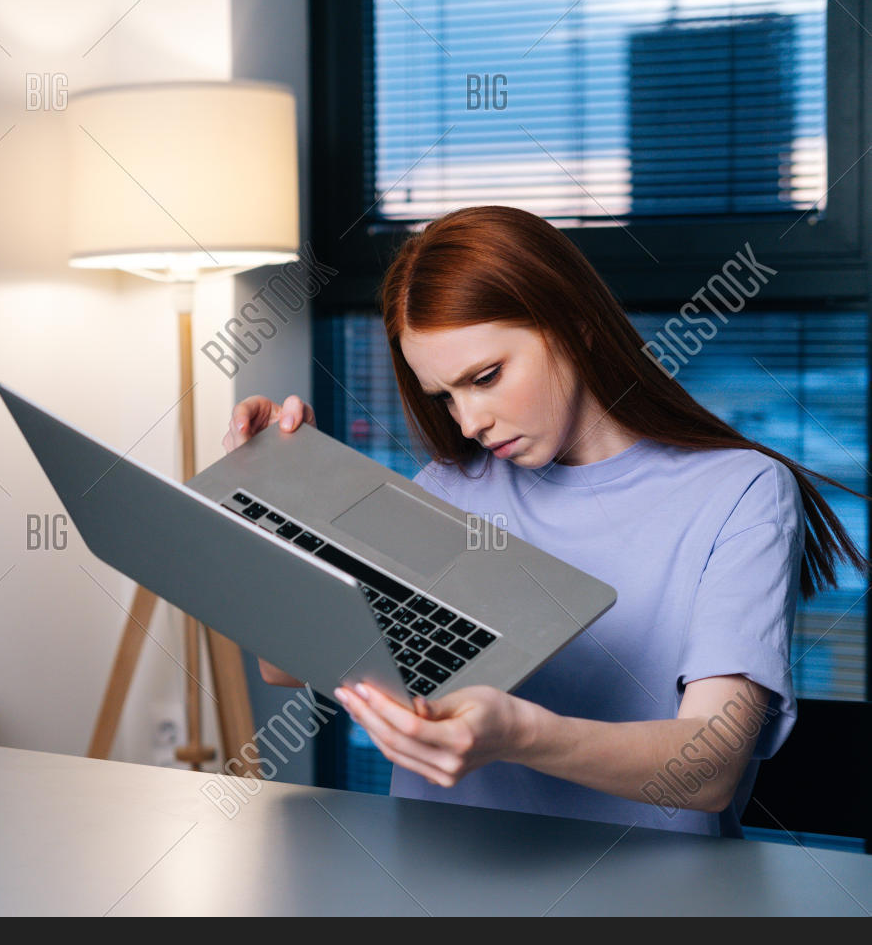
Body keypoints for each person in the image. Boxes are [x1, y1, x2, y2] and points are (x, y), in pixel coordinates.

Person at [223, 205, 869, 837]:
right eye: (444, 397)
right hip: (433, 890)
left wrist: (519, 733)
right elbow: (285, 667)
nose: (469, 421)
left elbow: (709, 768)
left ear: (574, 324)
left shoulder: (739, 492)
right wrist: (278, 502)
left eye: (487, 376)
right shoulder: (447, 489)